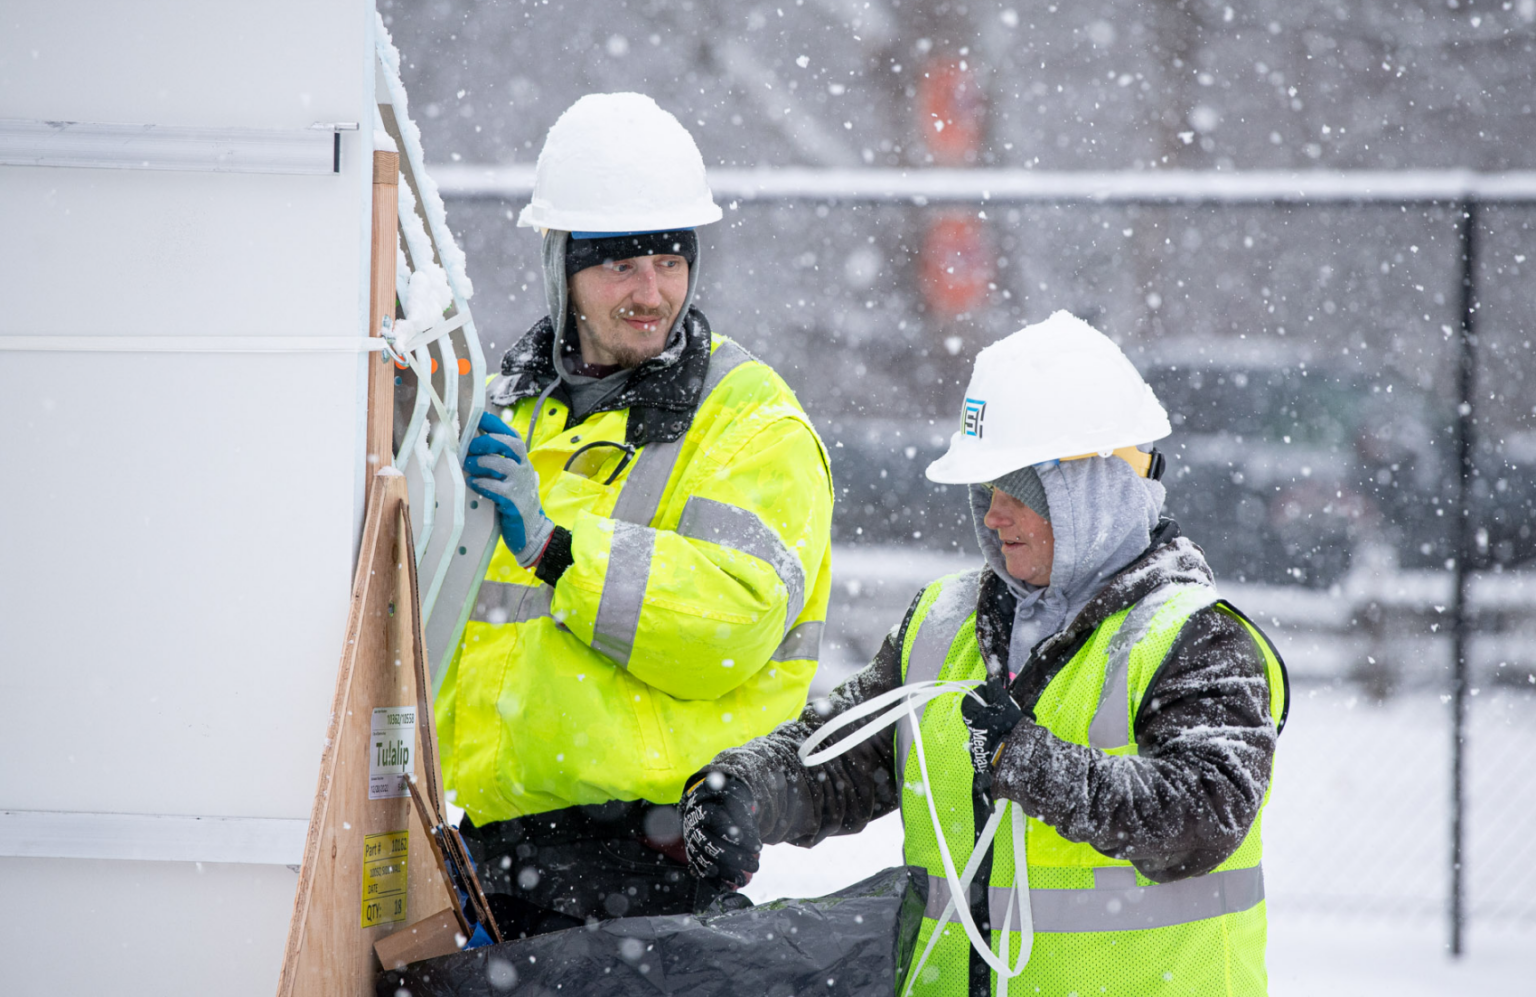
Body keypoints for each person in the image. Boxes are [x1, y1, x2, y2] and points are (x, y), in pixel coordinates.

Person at [681, 311, 1288, 996]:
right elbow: (846, 757)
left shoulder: (1195, 640)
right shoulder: (944, 623)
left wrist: (1025, 761)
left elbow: (1203, 816)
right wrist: (745, 789)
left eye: (1020, 491)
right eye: (985, 492)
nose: (995, 517)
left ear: (1096, 490)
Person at [434, 92, 834, 938]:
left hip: (652, 869)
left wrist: (556, 547)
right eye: (621, 265)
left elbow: (729, 620)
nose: (652, 292)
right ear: (562, 268)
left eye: (671, 261)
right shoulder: (514, 408)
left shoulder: (749, 420)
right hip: (492, 858)